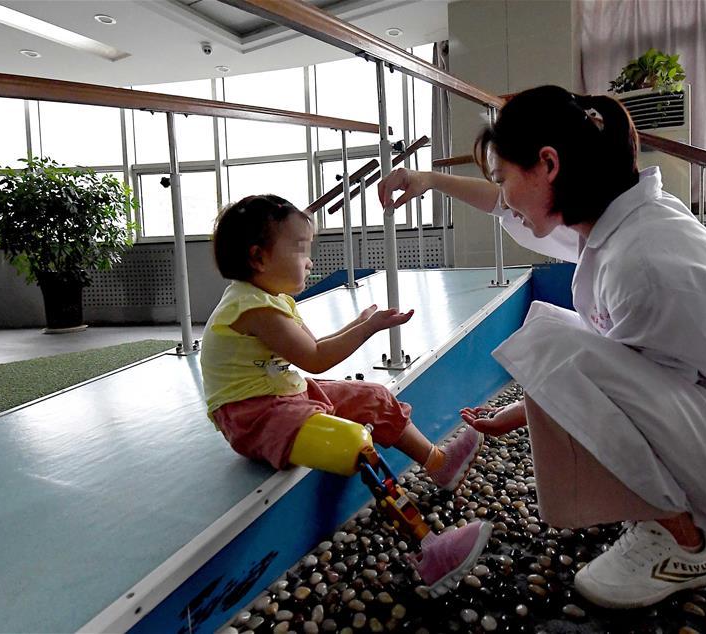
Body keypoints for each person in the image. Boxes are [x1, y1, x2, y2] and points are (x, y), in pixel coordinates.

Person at [377, 85, 706, 609]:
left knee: (551, 342)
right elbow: (644, 382)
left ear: (548, 164)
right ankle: (663, 513)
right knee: (561, 346)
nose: (505, 200)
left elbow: (638, 392)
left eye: (505, 178)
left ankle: (681, 540)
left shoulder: (643, 262)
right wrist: (426, 180)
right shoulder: (617, 222)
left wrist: (539, 401)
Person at [200, 194, 490, 595]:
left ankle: (437, 462)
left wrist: (357, 323)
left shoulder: (271, 300)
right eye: (301, 250)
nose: (310, 260)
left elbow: (312, 347)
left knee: (374, 396)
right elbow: (316, 358)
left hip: (285, 395)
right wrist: (367, 330)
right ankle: (428, 547)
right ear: (259, 257)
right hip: (254, 417)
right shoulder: (251, 308)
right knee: (354, 443)